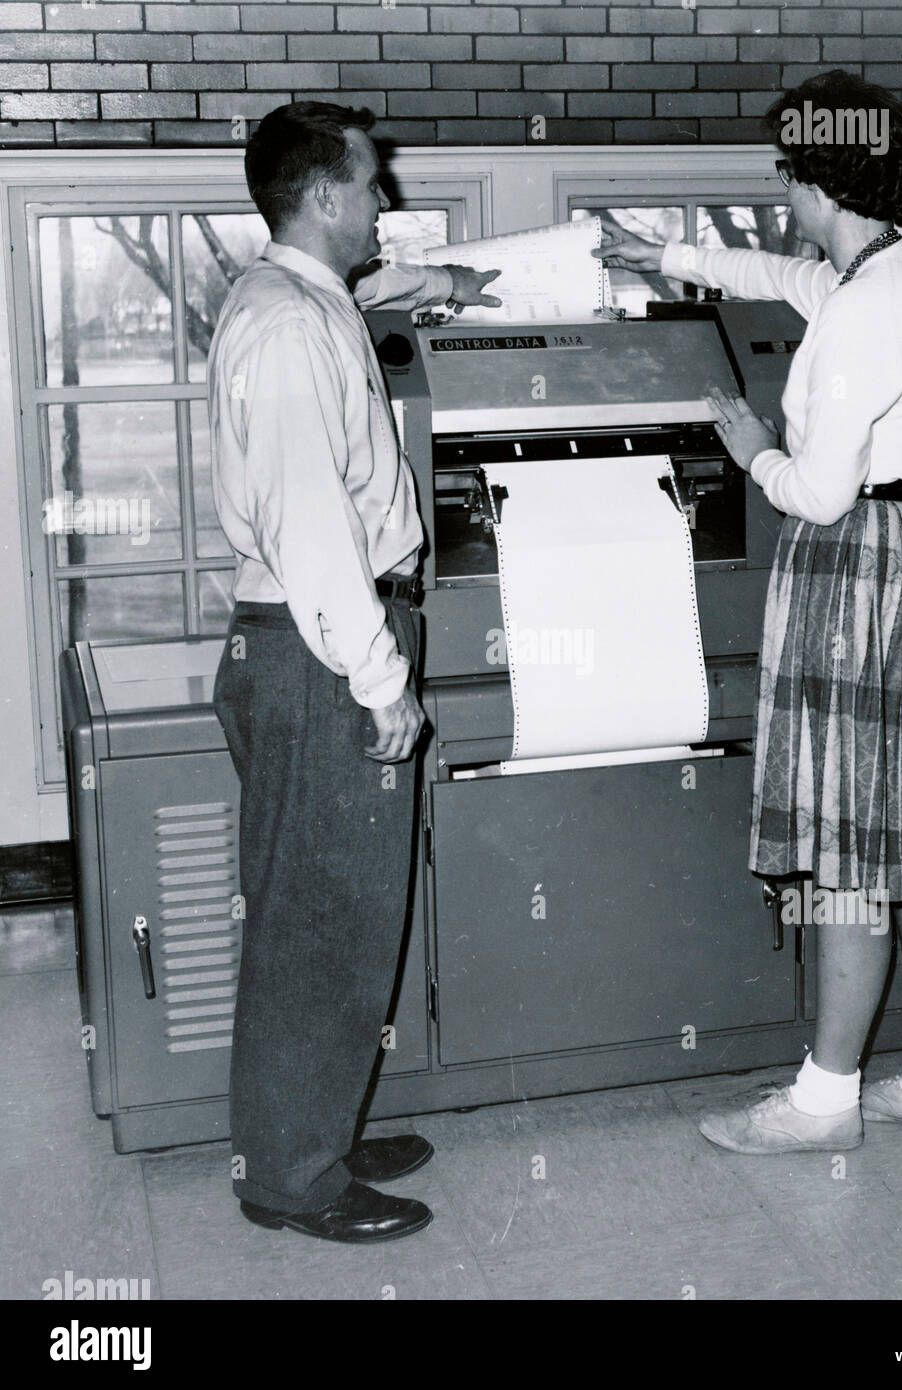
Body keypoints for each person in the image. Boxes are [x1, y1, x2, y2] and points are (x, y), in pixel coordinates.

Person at [598, 71, 902, 1154]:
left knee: (853, 853)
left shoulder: (869, 311)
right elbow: (780, 275)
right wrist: (665, 257)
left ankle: (824, 1103)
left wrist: (746, 448)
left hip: (856, 568)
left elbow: (815, 492)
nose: (780, 187)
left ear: (819, 178)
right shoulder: (890, 279)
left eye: (787, 168)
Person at [208, 101, 500, 1241]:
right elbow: (313, 526)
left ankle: (308, 1124)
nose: (386, 200)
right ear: (323, 197)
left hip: (306, 640)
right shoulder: (287, 329)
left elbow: (348, 313)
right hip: (320, 648)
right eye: (372, 184)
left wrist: (420, 289)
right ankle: (290, 1175)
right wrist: (384, 680)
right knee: (316, 923)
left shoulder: (299, 301)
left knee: (336, 914)